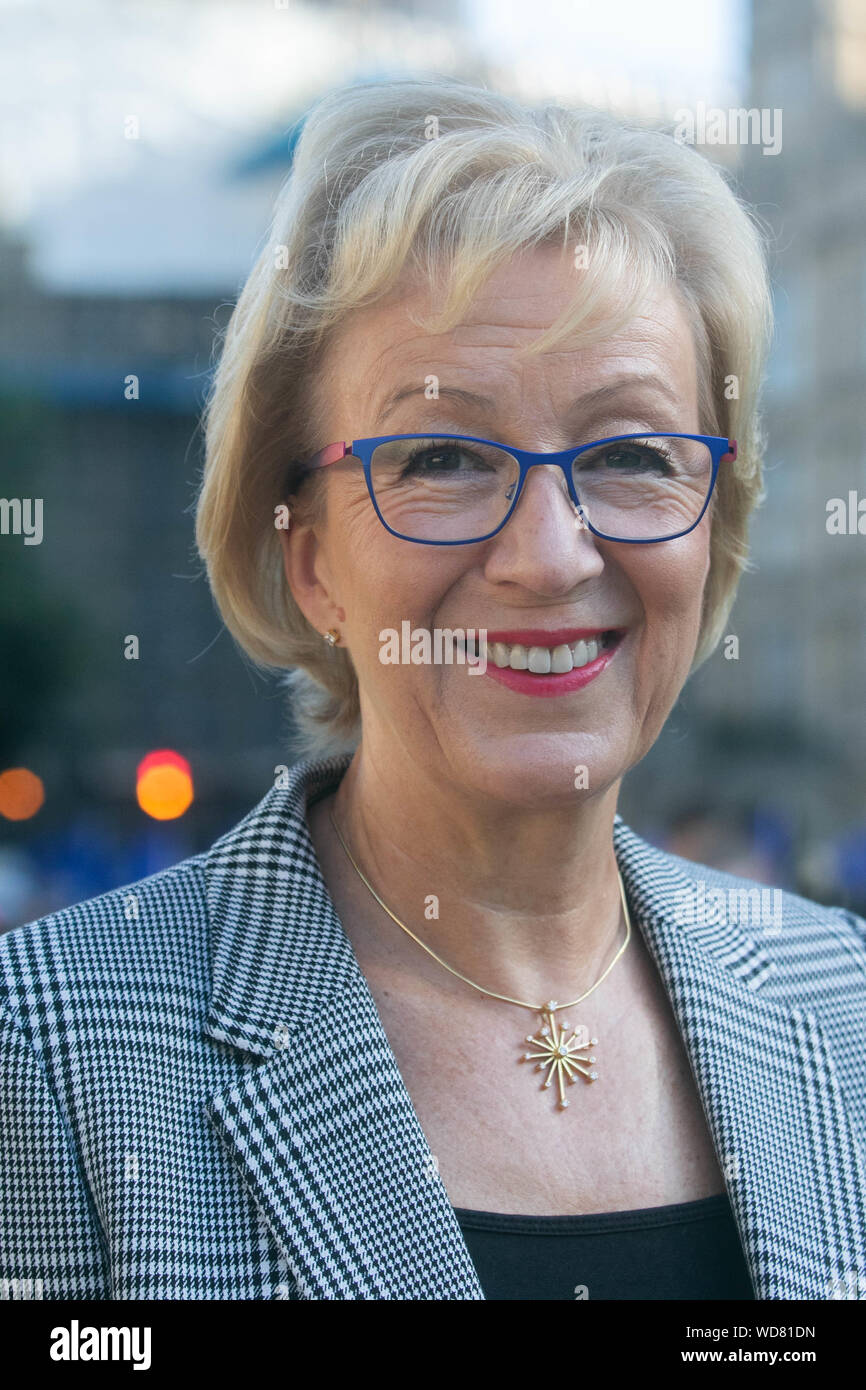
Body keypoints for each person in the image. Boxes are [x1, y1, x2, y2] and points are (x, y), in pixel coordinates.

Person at [2, 77, 865, 1302]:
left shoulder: (843, 1000)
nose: (551, 554)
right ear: (311, 561)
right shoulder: (47, 1057)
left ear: (710, 528)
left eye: (628, 454)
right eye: (443, 458)